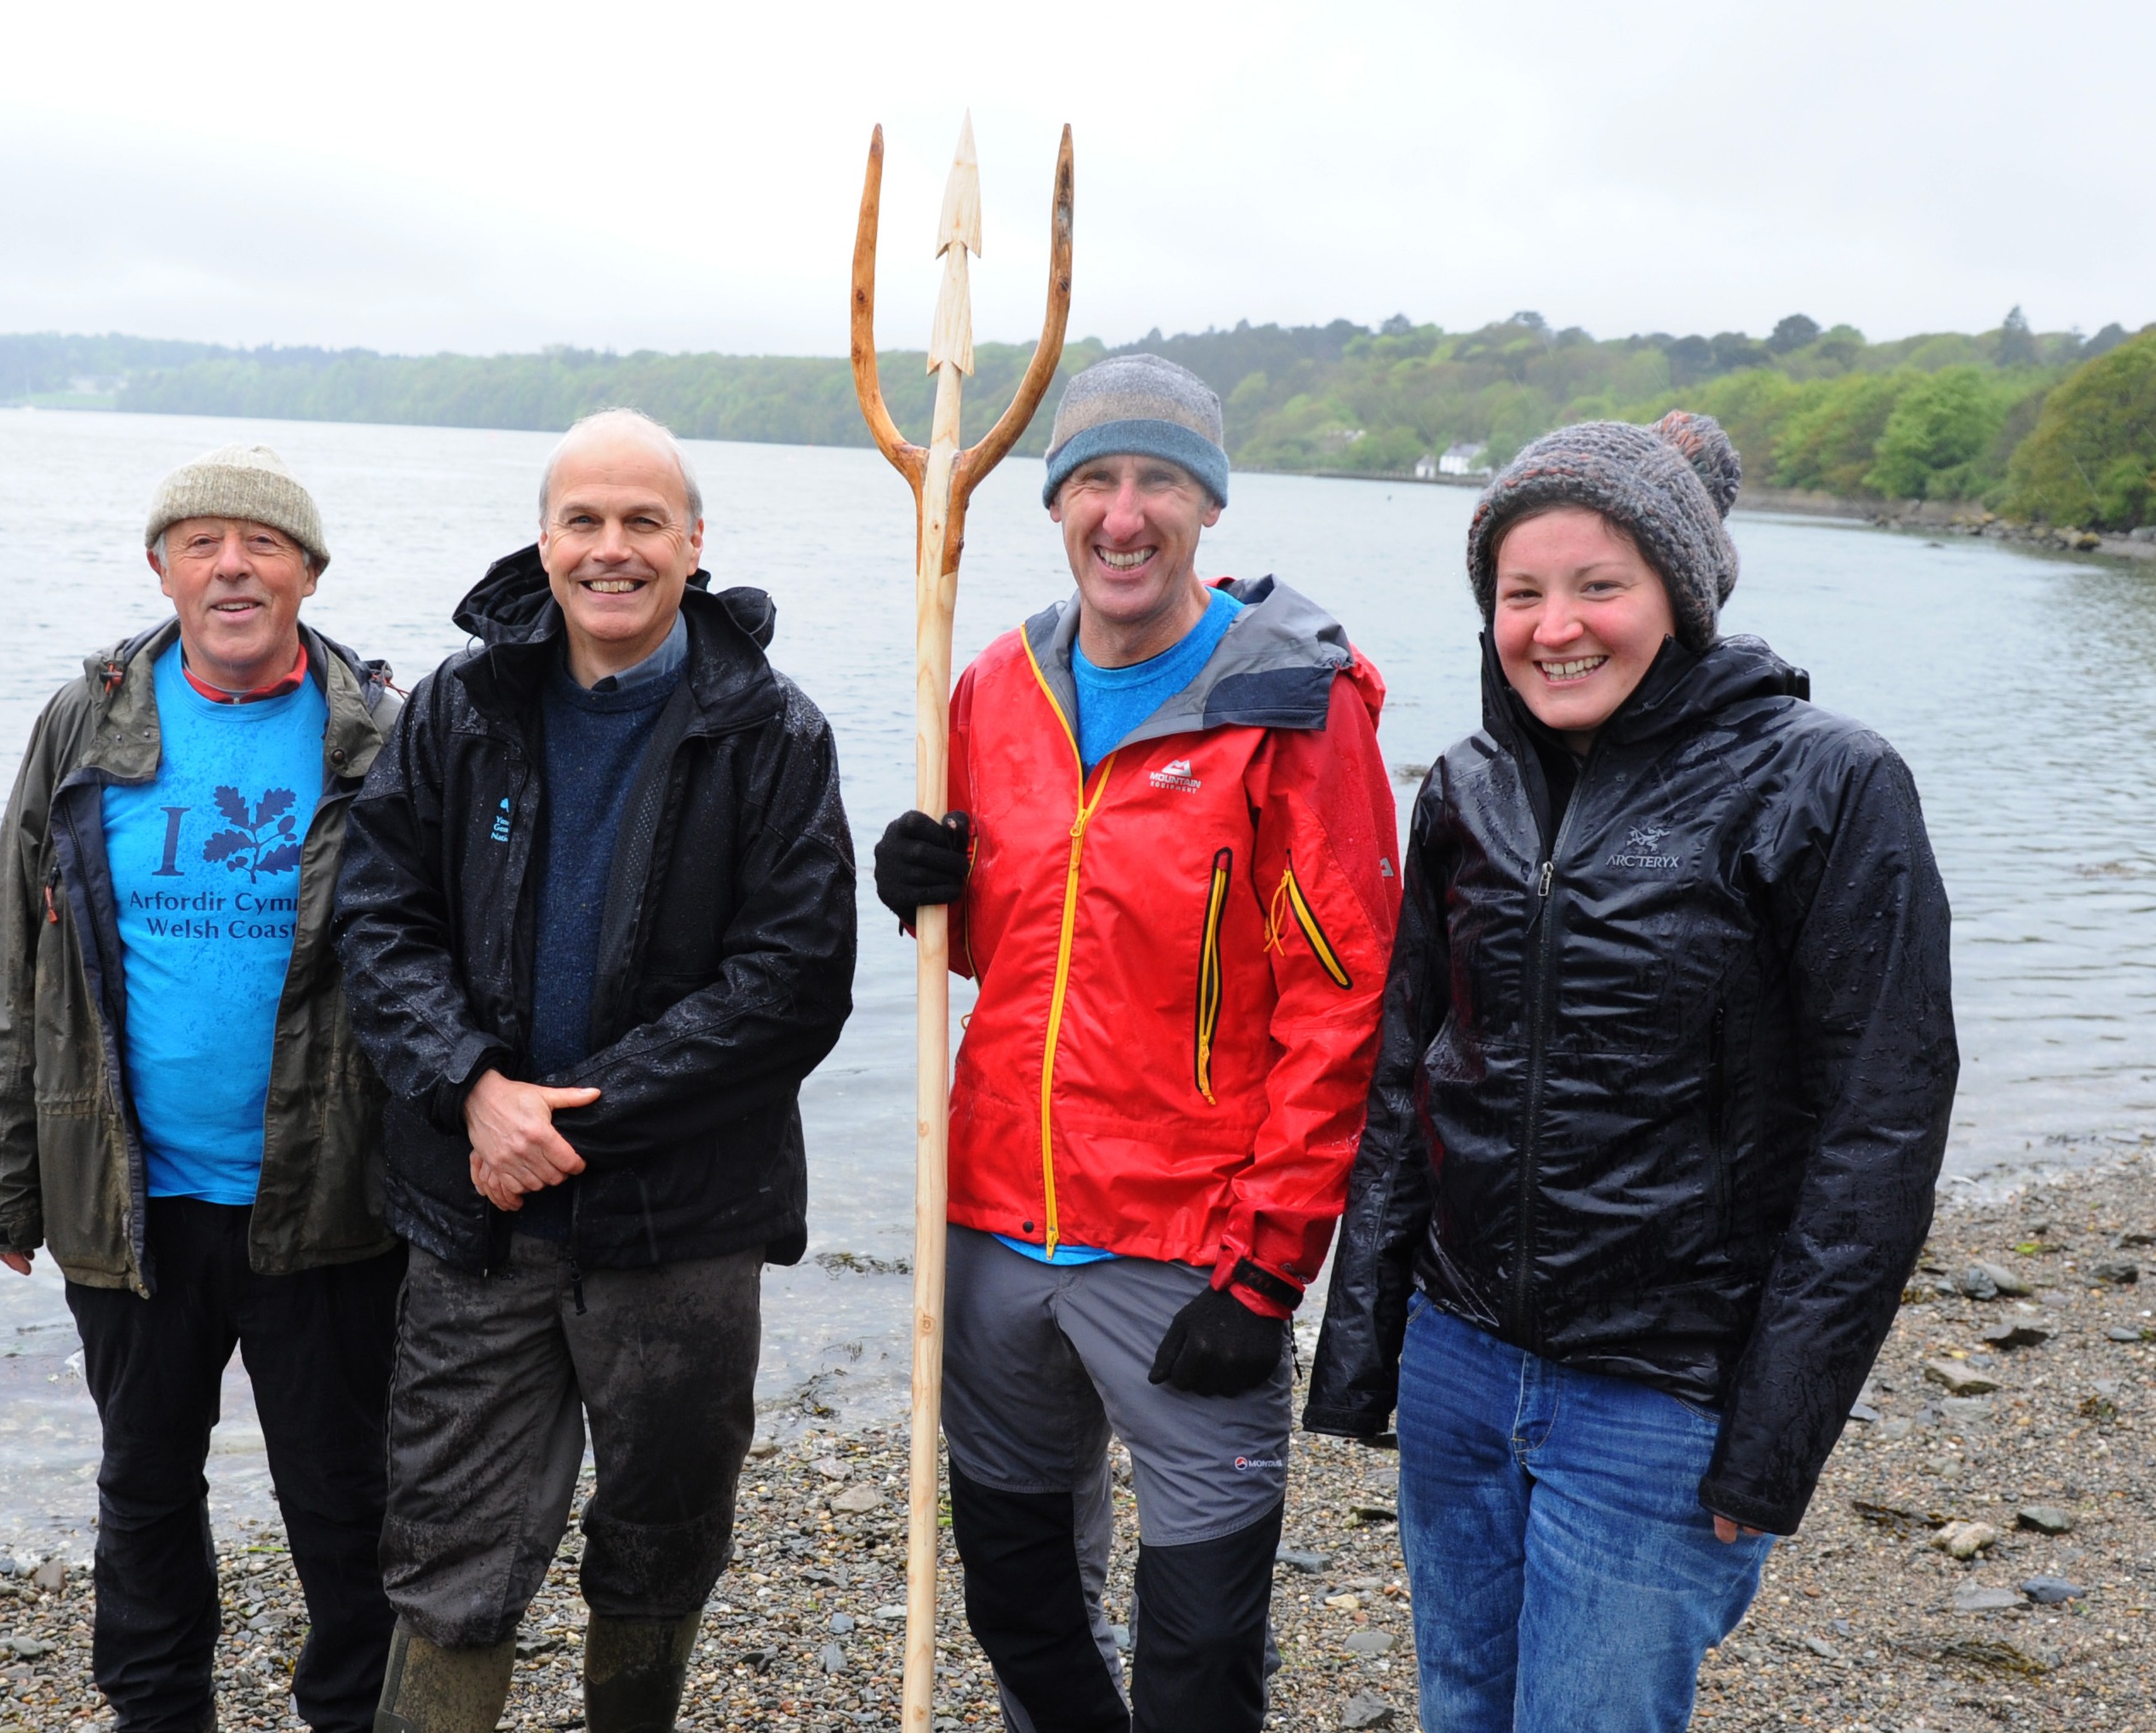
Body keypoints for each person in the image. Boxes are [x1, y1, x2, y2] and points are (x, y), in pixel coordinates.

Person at [1301, 413, 1959, 1733]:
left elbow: (1876, 1136)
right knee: (1460, 1708)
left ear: (1681, 592)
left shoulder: (1825, 784)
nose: (1556, 626)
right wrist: (1367, 1349)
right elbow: (1407, 1076)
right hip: (1459, 1357)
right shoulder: (1468, 787)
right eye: (1520, 593)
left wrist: (1774, 1438)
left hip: (1662, 1392)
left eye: (1599, 585)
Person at [871, 353, 1402, 1733]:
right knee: (1017, 1606)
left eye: (1158, 480)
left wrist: (1270, 1266)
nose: (1123, 514)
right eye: (1094, 481)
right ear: (1053, 505)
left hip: (1185, 1251)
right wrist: (926, 890)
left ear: (1208, 507)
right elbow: (1002, 954)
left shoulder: (1292, 702)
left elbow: (1342, 1003)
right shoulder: (995, 683)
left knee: (1199, 1653)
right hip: (990, 1228)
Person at [331, 409, 857, 1733]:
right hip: (478, 1216)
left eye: (640, 522)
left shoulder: (771, 732)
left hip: (679, 1229)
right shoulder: (462, 702)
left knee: (661, 1542)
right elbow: (380, 920)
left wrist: (571, 1119)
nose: (609, 550)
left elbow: (790, 985)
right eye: (583, 520)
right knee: (450, 1556)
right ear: (545, 537)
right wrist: (471, 1089)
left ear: (692, 543)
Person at [0, 444, 410, 1732]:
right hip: (129, 1196)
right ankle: (159, 1713)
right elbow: (9, 958)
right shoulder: (82, 723)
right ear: (160, 566)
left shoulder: (381, 732)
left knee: (344, 1494)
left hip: (328, 1200)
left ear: (309, 573)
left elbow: (448, 966)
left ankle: (354, 1714)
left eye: (262, 544)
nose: (231, 566)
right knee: (145, 1486)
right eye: (201, 542)